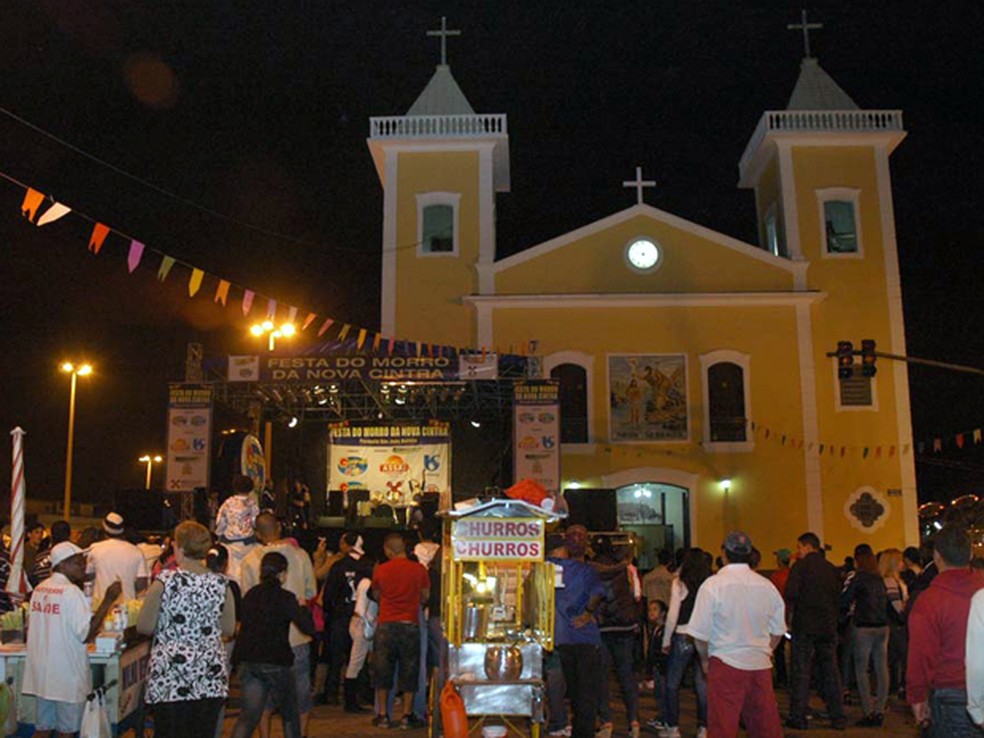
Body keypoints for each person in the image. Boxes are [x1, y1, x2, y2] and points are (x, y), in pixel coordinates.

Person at [137, 521, 236, 738]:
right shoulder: (222, 584)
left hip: (170, 676)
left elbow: (144, 626)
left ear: (179, 548)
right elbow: (228, 628)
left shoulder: (164, 581)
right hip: (209, 675)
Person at [688, 531, 785, 738]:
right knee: (764, 726)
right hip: (759, 664)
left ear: (724, 553)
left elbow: (700, 635)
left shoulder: (713, 585)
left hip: (726, 661)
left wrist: (705, 661)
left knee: (723, 725)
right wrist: (767, 650)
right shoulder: (767, 586)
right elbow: (778, 631)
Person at [22, 542, 122, 738]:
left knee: (42, 729)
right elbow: (86, 634)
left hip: (43, 674)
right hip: (66, 676)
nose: (83, 567)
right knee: (67, 732)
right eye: (78, 563)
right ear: (62, 564)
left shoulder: (40, 590)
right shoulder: (71, 592)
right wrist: (108, 600)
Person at [240, 513, 317, 738]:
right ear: (279, 528)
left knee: (263, 699)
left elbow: (247, 598)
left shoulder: (250, 559)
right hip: (297, 639)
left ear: (257, 533)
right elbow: (310, 592)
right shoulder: (301, 555)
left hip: (264, 643)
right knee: (300, 698)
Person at [906, 524, 983, 737]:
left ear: (936, 555)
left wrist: (917, 697)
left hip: (951, 695)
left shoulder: (929, 602)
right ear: (970, 554)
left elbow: (921, 655)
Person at [783, 532, 846, 730]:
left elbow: (790, 593)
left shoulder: (800, 567)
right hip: (827, 626)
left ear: (808, 546)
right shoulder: (831, 569)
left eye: (799, 547)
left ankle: (798, 716)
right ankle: (838, 716)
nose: (798, 552)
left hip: (805, 625)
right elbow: (839, 597)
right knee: (830, 671)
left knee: (801, 671)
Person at [549, 525, 604, 738]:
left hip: (561, 637)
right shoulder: (586, 571)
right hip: (584, 638)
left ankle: (562, 724)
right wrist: (589, 612)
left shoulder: (545, 568)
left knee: (569, 689)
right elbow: (598, 592)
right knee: (586, 694)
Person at [371, 532, 430, 729]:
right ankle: (407, 715)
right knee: (410, 671)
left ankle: (383, 715)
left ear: (388, 550)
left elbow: (377, 594)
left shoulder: (380, 570)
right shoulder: (419, 570)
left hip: (386, 624)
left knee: (383, 671)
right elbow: (425, 596)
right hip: (409, 624)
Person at [592, 538, 642, 738]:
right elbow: (637, 595)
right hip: (625, 627)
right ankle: (634, 721)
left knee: (602, 677)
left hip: (602, 628)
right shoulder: (628, 569)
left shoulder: (591, 569)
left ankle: (606, 722)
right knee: (626, 676)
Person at [660, 548, 711, 738]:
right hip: (705, 636)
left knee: (672, 683)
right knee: (702, 685)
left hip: (683, 635)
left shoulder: (679, 583)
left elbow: (673, 614)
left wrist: (666, 640)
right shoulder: (709, 584)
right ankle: (704, 727)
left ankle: (673, 727)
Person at [321, 531, 371, 709]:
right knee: (360, 658)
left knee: (337, 657)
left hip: (341, 616)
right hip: (361, 616)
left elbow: (329, 594)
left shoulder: (338, 566)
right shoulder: (368, 565)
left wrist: (330, 612)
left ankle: (331, 694)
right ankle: (361, 694)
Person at [841, 543, 889, 726]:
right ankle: (880, 710)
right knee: (881, 668)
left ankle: (868, 711)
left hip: (864, 626)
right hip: (883, 626)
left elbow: (845, 600)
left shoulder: (859, 578)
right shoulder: (878, 578)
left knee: (861, 669)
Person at [87, 512, 148, 606]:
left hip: (101, 607)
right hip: (127, 608)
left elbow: (88, 576)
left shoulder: (94, 549)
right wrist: (127, 586)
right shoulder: (136, 551)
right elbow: (142, 584)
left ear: (104, 529)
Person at [215, 474, 261, 585]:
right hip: (249, 546)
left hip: (230, 547)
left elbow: (220, 522)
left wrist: (219, 534)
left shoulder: (227, 504)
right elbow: (256, 523)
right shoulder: (253, 504)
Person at [879, 547, 909, 697]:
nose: (903, 563)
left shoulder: (891, 580)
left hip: (891, 624)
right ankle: (896, 688)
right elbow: (897, 606)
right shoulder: (890, 582)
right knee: (898, 658)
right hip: (895, 624)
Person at [644, 599, 669, 733]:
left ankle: (665, 718)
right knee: (658, 693)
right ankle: (661, 716)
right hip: (656, 668)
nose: (651, 613)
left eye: (655, 609)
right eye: (649, 610)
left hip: (662, 668)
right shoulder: (655, 629)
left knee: (664, 693)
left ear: (663, 613)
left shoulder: (664, 631)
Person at [769, 548, 792, 690]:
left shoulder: (776, 576)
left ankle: (781, 677)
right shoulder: (793, 575)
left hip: (779, 618)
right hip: (792, 616)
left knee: (778, 651)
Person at [29, 520, 71, 588]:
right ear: (69, 535)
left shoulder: (40, 557)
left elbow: (35, 576)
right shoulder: (74, 555)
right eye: (37, 532)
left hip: (44, 592)